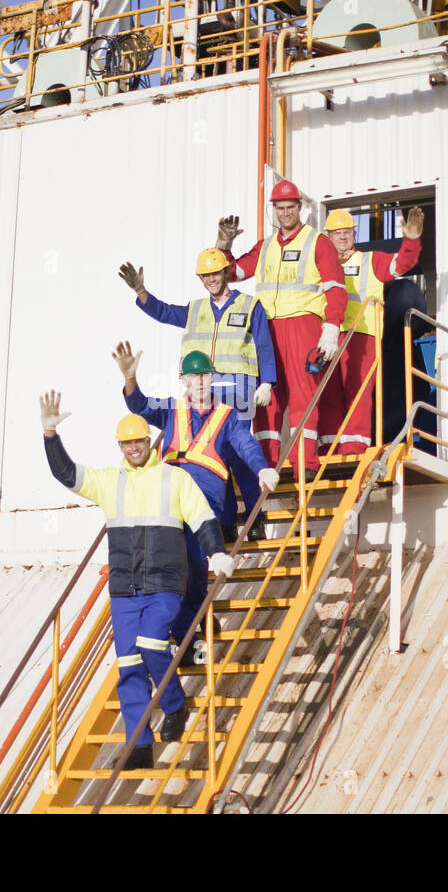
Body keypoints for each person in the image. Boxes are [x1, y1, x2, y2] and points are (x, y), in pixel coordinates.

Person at [40, 390, 235, 769]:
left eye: (139, 441)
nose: (134, 448)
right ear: (121, 446)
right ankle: (139, 746)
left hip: (165, 584)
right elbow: (67, 473)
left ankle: (174, 704)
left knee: (150, 645)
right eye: (127, 443)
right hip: (125, 590)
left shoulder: (173, 479)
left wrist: (218, 553)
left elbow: (202, 519)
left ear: (150, 442)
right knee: (128, 666)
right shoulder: (108, 482)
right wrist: (50, 437)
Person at [113, 342, 278, 647]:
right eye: (193, 376)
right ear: (184, 381)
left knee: (190, 561)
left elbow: (245, 444)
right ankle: (191, 624)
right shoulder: (172, 410)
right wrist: (130, 380)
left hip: (203, 501)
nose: (200, 381)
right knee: (172, 565)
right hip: (170, 496)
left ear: (212, 378)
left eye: (204, 375)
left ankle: (190, 628)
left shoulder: (227, 416)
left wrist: (262, 469)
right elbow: (140, 406)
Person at [118, 249, 277, 532]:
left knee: (237, 455)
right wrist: (141, 291)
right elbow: (164, 312)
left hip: (240, 389)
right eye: (205, 276)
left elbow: (264, 345)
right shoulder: (196, 310)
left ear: (227, 272)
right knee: (213, 455)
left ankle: (255, 520)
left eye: (215, 273)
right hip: (206, 389)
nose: (211, 280)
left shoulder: (251, 306)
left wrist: (267, 382)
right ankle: (225, 521)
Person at [216, 179, 347, 478]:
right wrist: (224, 245)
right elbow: (232, 272)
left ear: (300, 207)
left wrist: (331, 328)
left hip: (304, 324)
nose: (286, 213)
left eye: (291, 207)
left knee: (303, 394)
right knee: (267, 399)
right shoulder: (265, 246)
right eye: (280, 208)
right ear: (272, 209)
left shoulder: (318, 242)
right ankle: (264, 465)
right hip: (268, 328)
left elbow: (336, 288)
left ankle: (306, 464)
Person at [317, 205, 424, 455]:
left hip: (362, 336)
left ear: (355, 234)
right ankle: (330, 448)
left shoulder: (371, 260)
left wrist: (412, 240)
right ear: (328, 237)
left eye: (348, 232)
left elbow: (402, 263)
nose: (343, 237)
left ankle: (354, 447)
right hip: (328, 335)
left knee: (358, 393)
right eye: (337, 233)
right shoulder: (318, 266)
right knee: (328, 393)